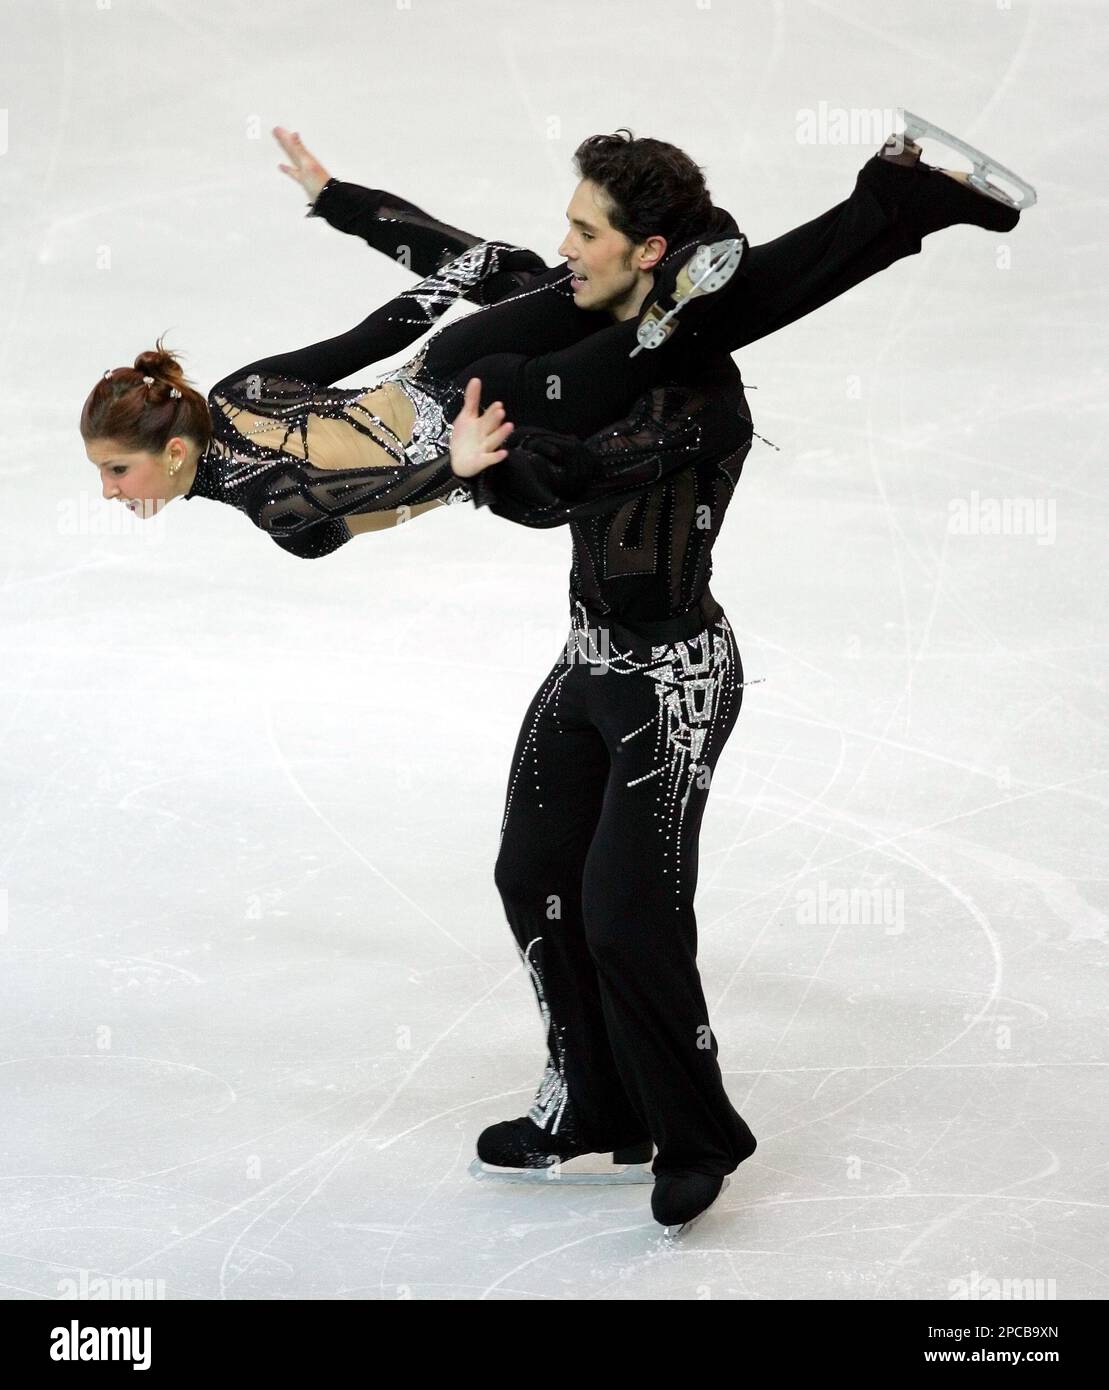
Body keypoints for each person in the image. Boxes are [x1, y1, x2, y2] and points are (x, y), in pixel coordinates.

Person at [80, 119, 1032, 1233]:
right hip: (493, 434)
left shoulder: (258, 475)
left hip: (519, 455)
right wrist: (347, 207)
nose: (114, 494)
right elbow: (414, 311)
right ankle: (591, 1101)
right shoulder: (239, 398)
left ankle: (692, 1133)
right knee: (530, 873)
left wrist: (454, 460)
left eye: (115, 470)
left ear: (173, 451)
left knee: (648, 330)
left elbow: (349, 475)